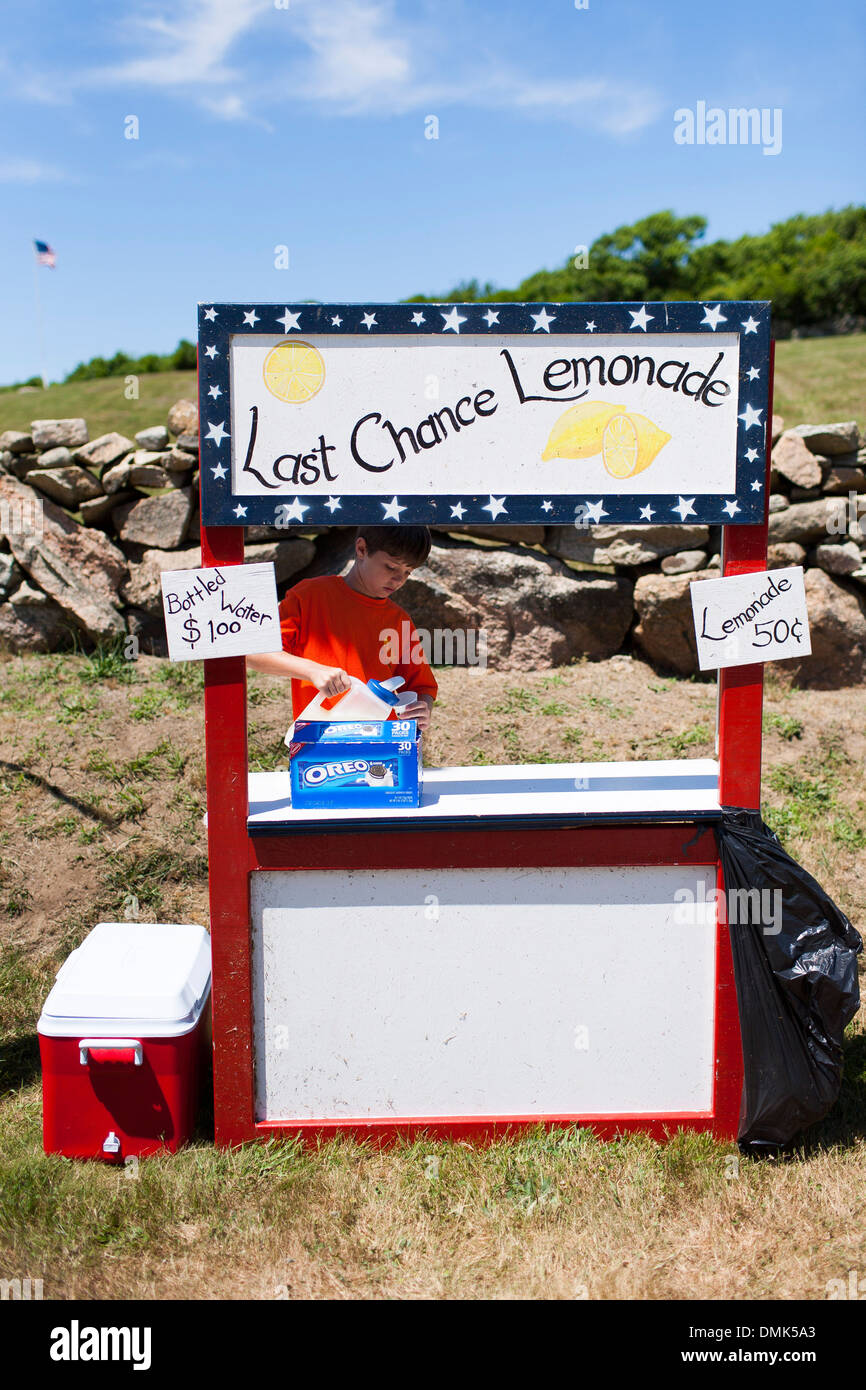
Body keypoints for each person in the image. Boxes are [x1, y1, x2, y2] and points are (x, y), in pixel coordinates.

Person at [246, 525, 437, 731]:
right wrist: (312, 670)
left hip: (382, 742)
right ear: (362, 549)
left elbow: (421, 686)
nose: (399, 580)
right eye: (391, 567)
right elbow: (254, 653)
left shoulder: (398, 620)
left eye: (408, 572)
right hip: (320, 741)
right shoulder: (309, 596)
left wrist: (423, 708)